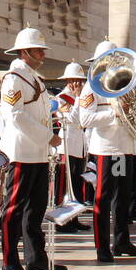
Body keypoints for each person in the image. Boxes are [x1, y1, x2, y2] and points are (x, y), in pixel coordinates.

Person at [0, 27, 64, 270]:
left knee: (35, 209)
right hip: (20, 152)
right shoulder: (14, 78)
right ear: (25, 52)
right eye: (38, 50)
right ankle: (9, 261)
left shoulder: (35, 79)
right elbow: (16, 116)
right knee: (13, 209)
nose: (43, 54)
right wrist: (48, 136)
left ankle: (36, 258)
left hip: (37, 152)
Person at [77, 39, 136, 260]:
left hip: (124, 149)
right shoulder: (92, 87)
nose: (113, 64)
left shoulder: (125, 83)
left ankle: (121, 242)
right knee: (103, 198)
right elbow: (85, 119)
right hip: (106, 150)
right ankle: (102, 247)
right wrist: (114, 114)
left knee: (123, 198)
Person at [52, 62, 89, 233]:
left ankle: (74, 218)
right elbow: (72, 119)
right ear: (68, 81)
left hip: (80, 145)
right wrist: (79, 98)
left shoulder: (81, 96)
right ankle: (63, 221)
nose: (78, 84)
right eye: (74, 80)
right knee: (65, 186)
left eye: (80, 80)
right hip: (67, 144)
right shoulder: (61, 98)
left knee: (77, 183)